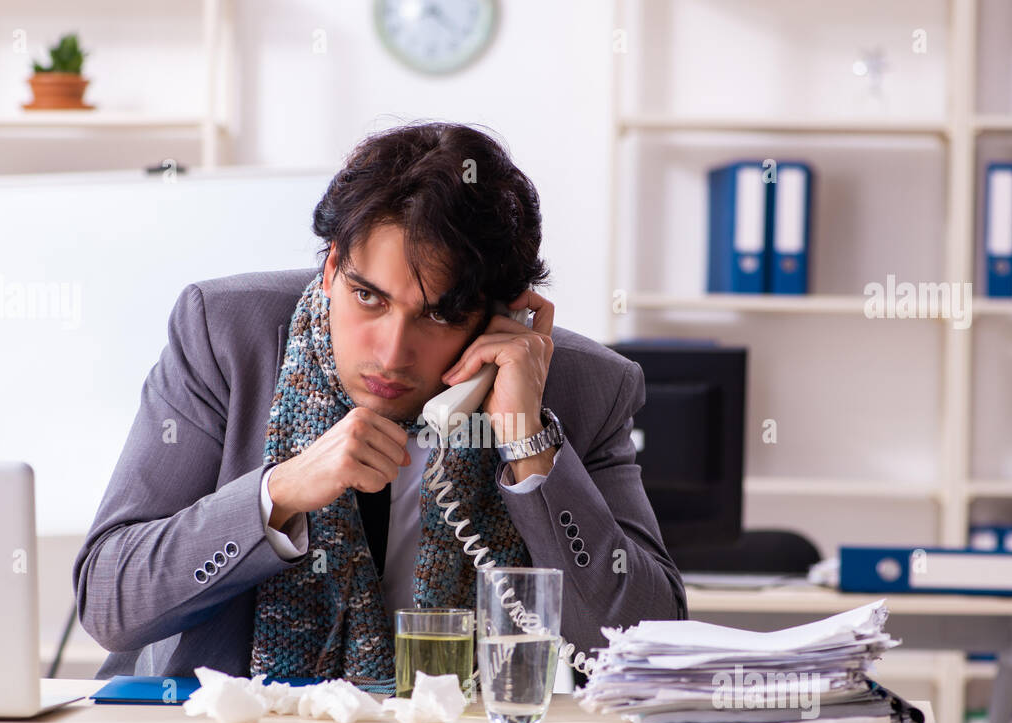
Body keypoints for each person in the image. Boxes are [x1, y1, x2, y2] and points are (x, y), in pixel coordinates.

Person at [73, 121, 687, 686]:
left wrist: (529, 443)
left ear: (503, 314)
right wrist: (277, 495)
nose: (393, 353)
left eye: (440, 314)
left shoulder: (586, 388)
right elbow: (109, 598)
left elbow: (646, 639)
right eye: (369, 297)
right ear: (332, 264)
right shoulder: (227, 336)